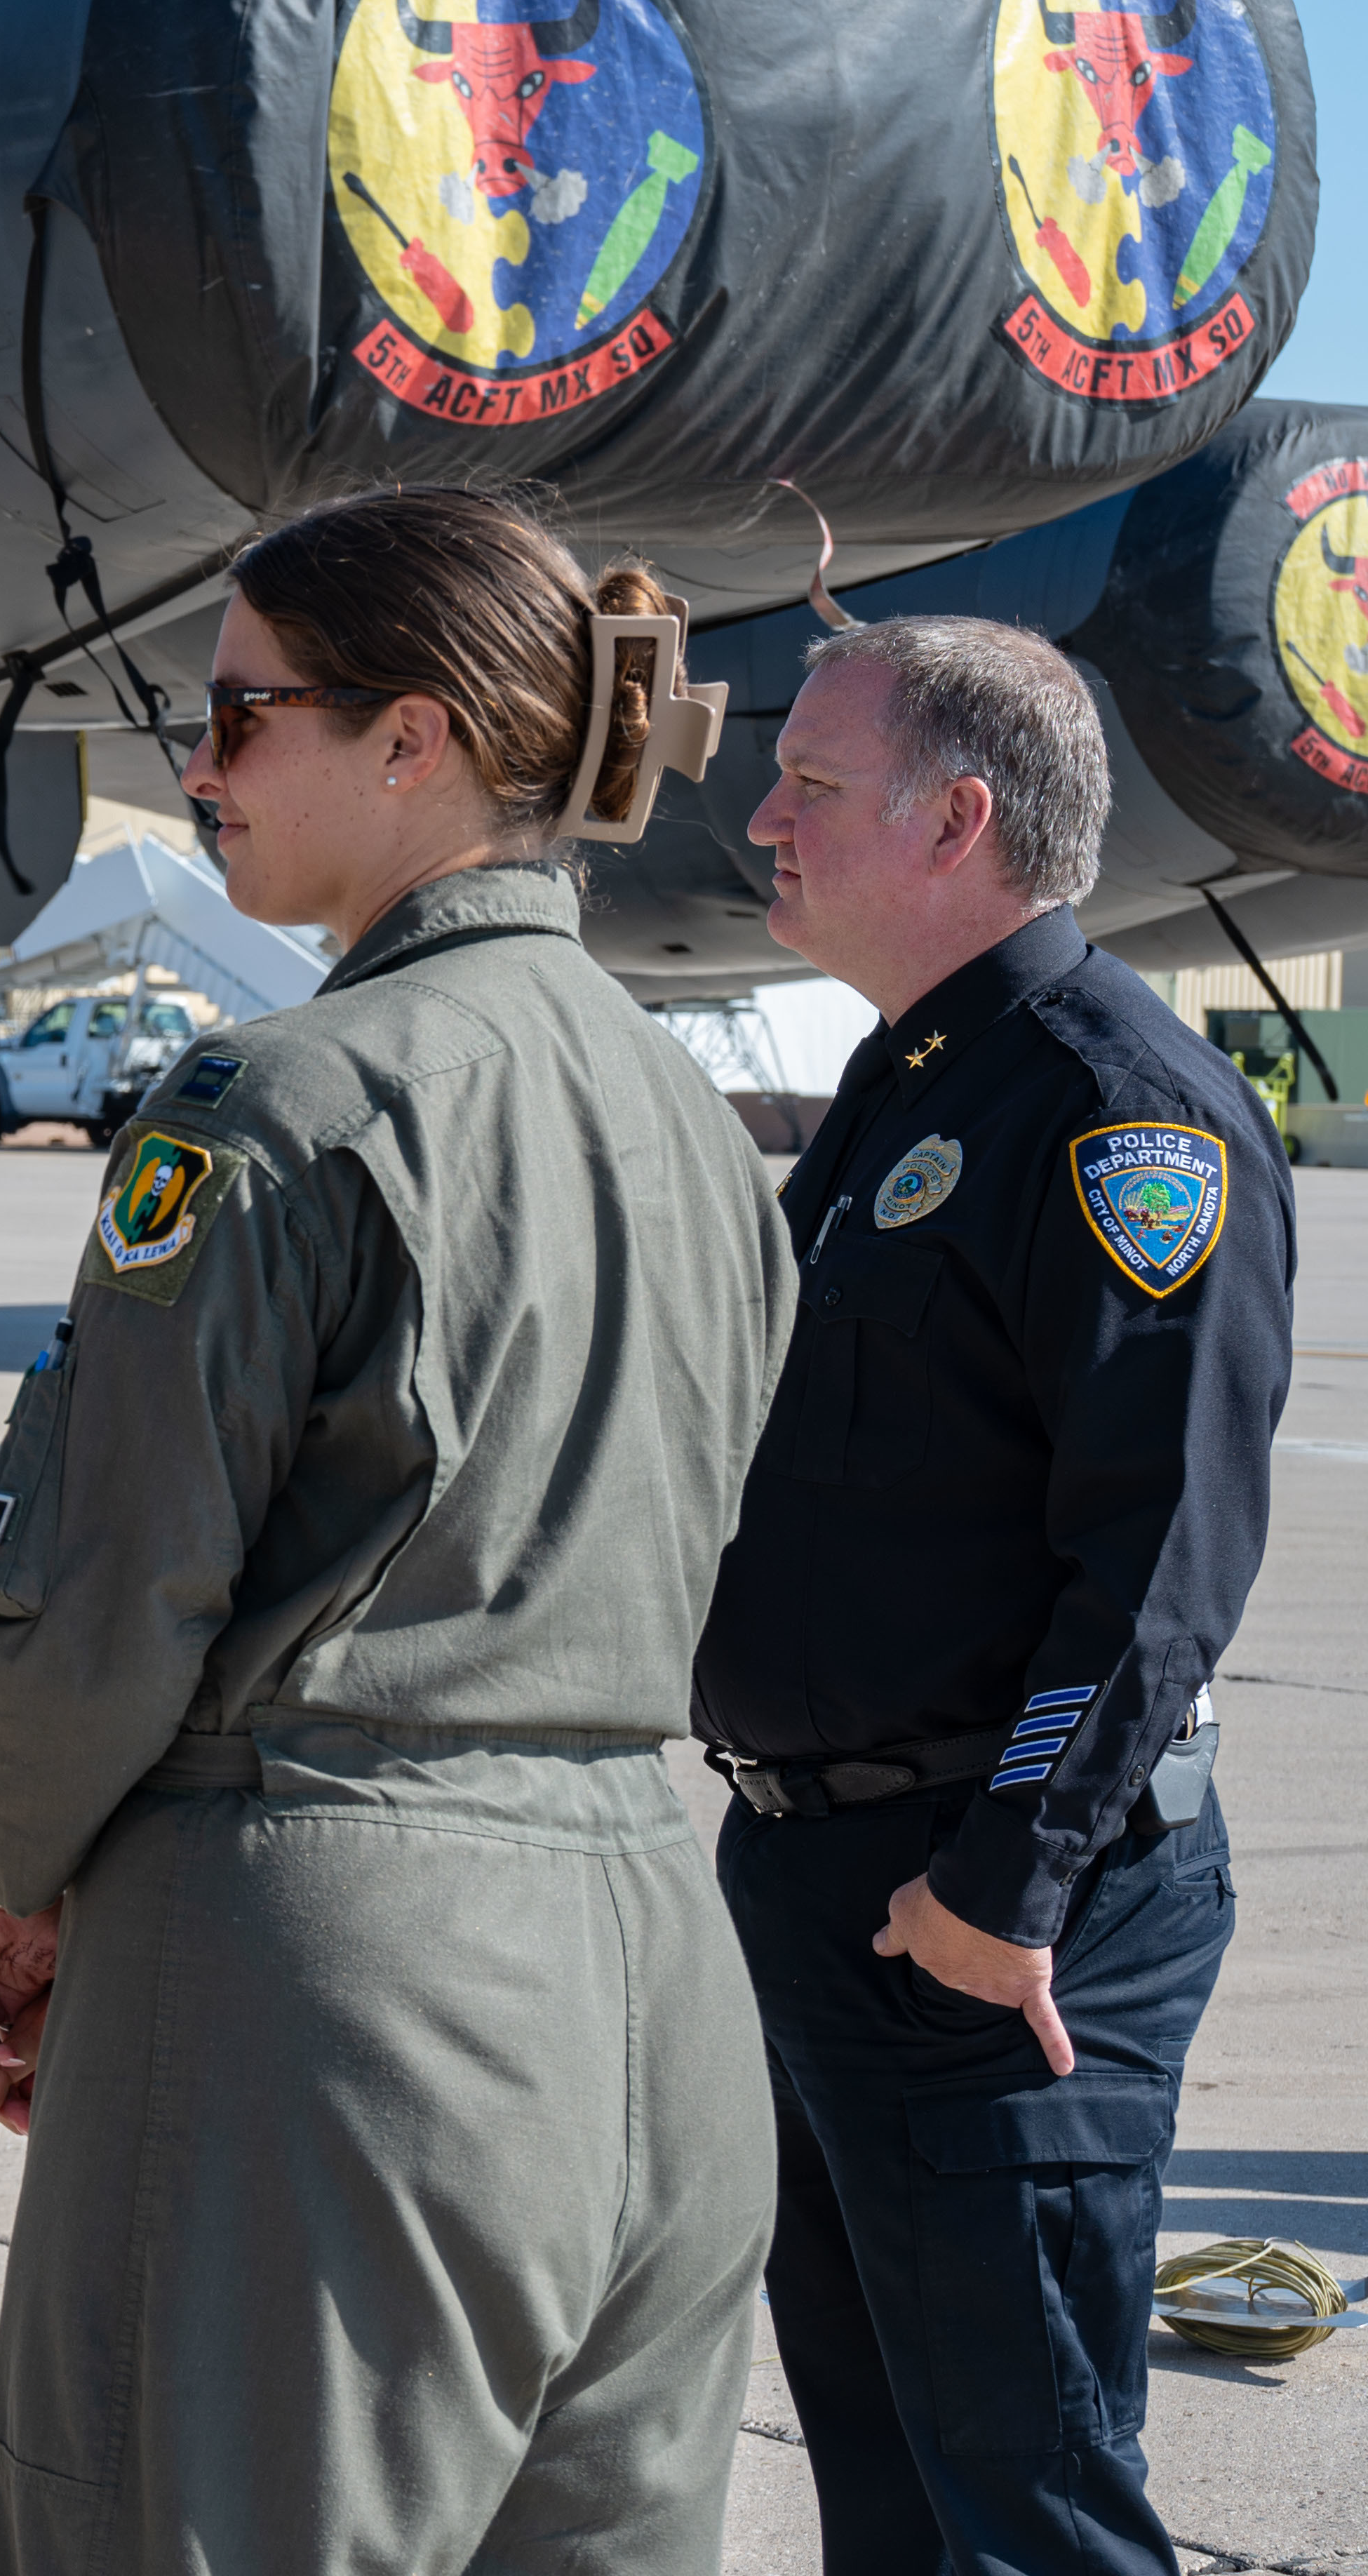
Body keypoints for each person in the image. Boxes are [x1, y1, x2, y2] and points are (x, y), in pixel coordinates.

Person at [0, 488, 797, 2575]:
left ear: (410, 743)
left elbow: (109, 1593)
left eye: (235, 718)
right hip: (653, 1985)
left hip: (330, 1982)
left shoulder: (284, 1103)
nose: (196, 771)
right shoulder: (703, 1130)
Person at [697, 615, 1287, 2574]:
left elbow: (1160, 1557)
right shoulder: (916, 1086)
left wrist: (1004, 1884)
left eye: (814, 783)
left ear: (957, 820)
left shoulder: (1123, 1113)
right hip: (834, 1886)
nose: (761, 812)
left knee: (1030, 2506)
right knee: (894, 2489)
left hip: (985, 1904)